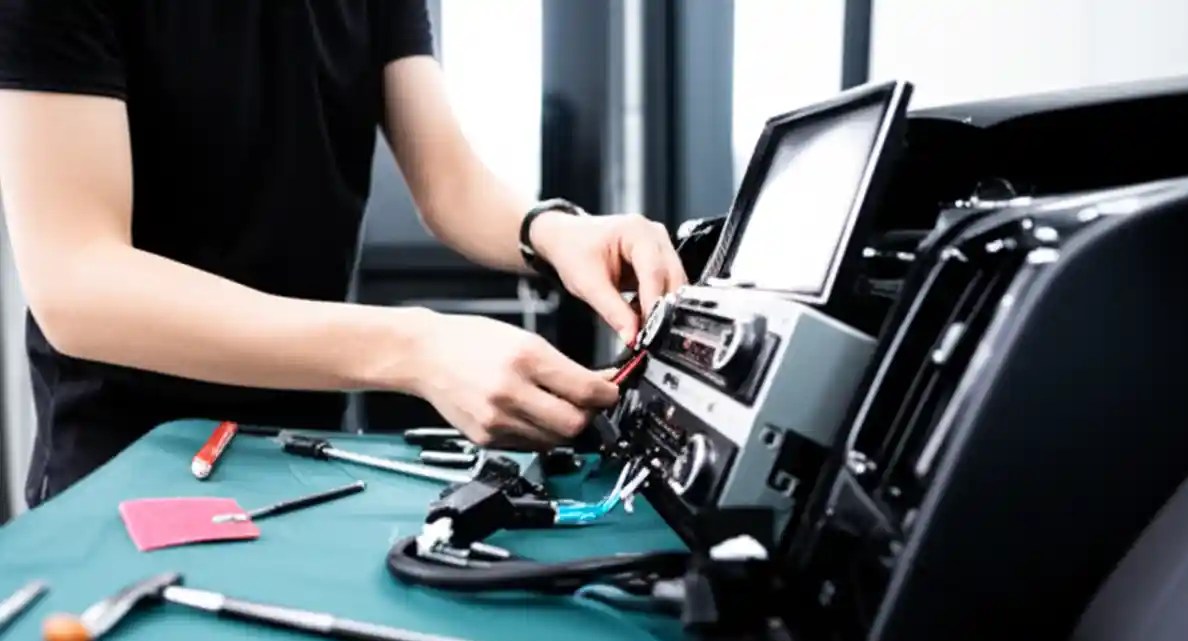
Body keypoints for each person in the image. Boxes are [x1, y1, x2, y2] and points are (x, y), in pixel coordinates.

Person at [0, 1, 687, 508]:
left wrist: (554, 230)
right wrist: (415, 348)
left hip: (305, 451)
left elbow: (449, 183)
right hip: (127, 467)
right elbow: (78, 284)